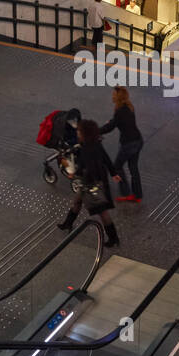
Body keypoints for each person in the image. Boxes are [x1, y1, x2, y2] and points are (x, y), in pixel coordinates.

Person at [56, 119, 120, 247]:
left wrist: (75, 174)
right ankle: (68, 223)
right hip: (98, 181)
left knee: (102, 212)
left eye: (79, 131)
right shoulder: (96, 143)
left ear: (84, 133)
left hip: (91, 184)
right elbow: (106, 159)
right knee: (78, 201)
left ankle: (113, 238)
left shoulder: (85, 148)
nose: (77, 133)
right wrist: (114, 174)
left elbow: (86, 166)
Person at [100, 85, 144, 204]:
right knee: (133, 168)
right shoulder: (129, 107)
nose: (112, 96)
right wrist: (113, 121)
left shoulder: (120, 111)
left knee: (117, 167)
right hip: (138, 140)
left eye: (114, 95)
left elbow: (110, 127)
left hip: (129, 144)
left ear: (118, 97)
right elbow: (118, 122)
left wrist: (96, 131)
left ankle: (126, 193)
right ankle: (137, 195)